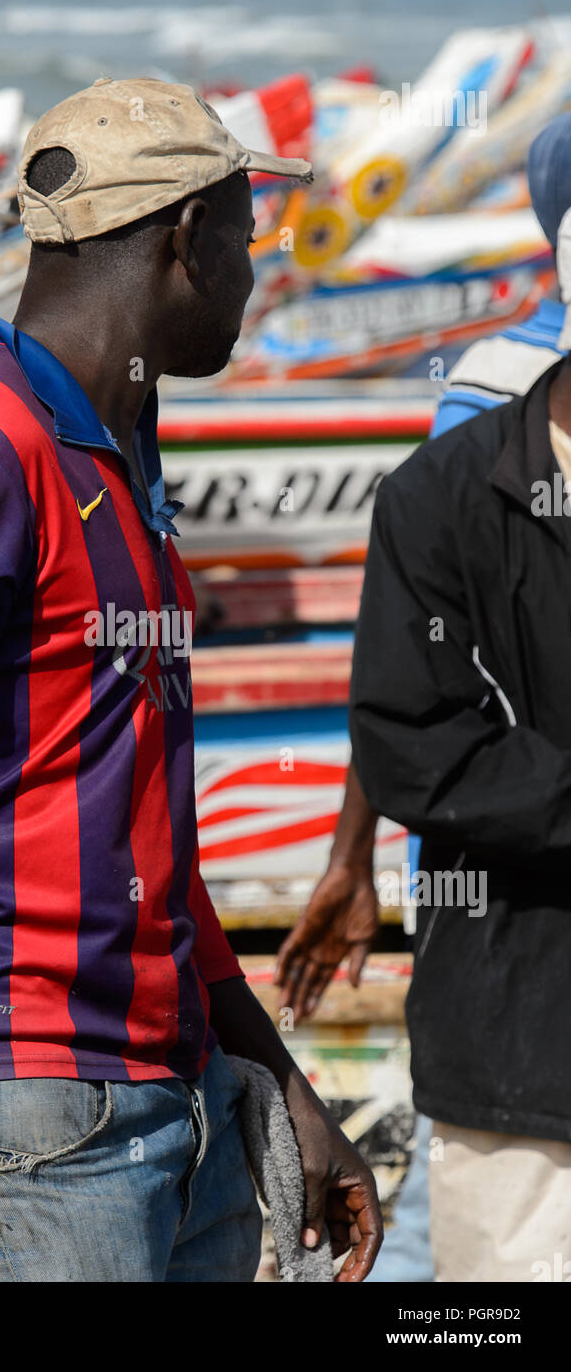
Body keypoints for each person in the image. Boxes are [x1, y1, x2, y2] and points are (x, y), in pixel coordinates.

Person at [0, 77, 382, 1284]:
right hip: (27, 1130)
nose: (253, 281)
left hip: (173, 1100)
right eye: (244, 242)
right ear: (183, 242)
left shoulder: (115, 465)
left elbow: (150, 852)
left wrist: (281, 1081)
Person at [275, 110, 571, 1283]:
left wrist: (352, 856)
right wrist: (353, 854)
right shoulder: (474, 447)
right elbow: (412, 693)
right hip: (521, 1029)